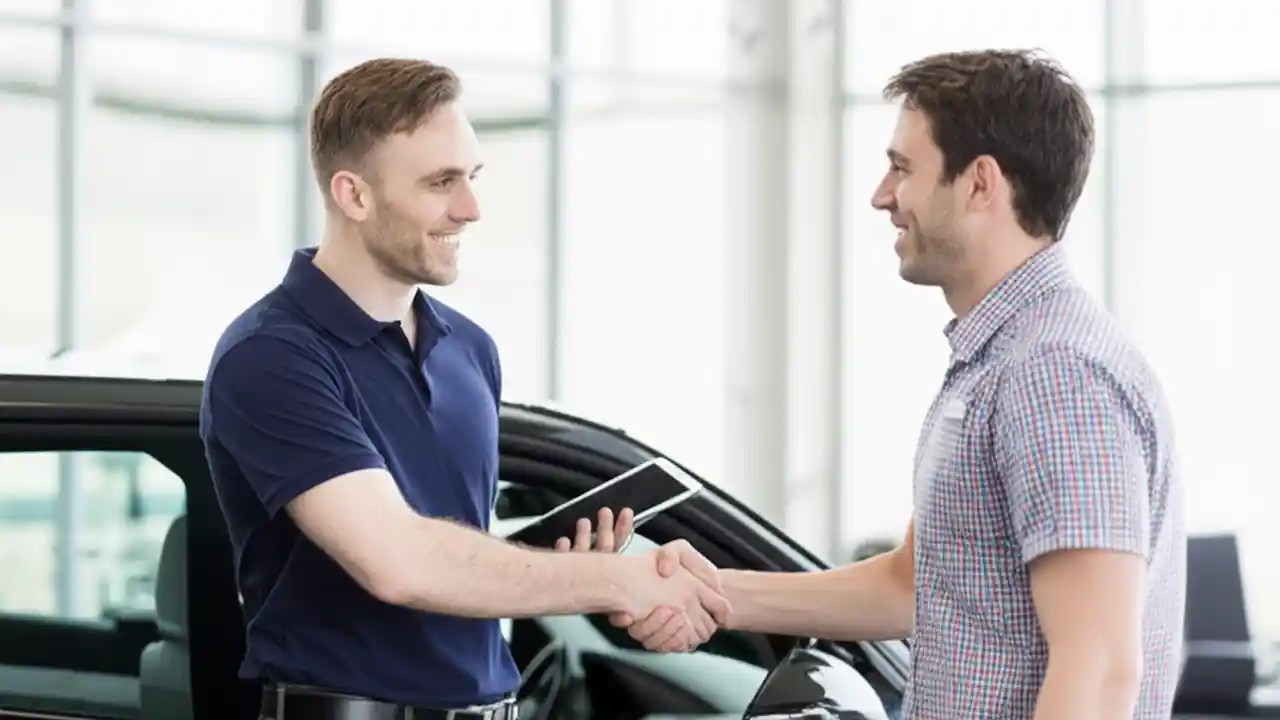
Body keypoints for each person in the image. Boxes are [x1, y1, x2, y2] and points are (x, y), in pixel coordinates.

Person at [612, 49, 1187, 719]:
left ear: (979, 184)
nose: (882, 195)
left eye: (902, 168)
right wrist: (715, 595)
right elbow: (909, 584)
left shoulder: (1054, 374)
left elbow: (1100, 667)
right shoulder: (1003, 359)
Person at [198, 57, 729, 719]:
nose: (471, 209)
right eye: (441, 182)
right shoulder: (272, 357)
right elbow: (399, 561)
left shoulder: (470, 349)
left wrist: (551, 563)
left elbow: (446, 550)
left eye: (472, 177)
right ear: (353, 195)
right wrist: (614, 581)